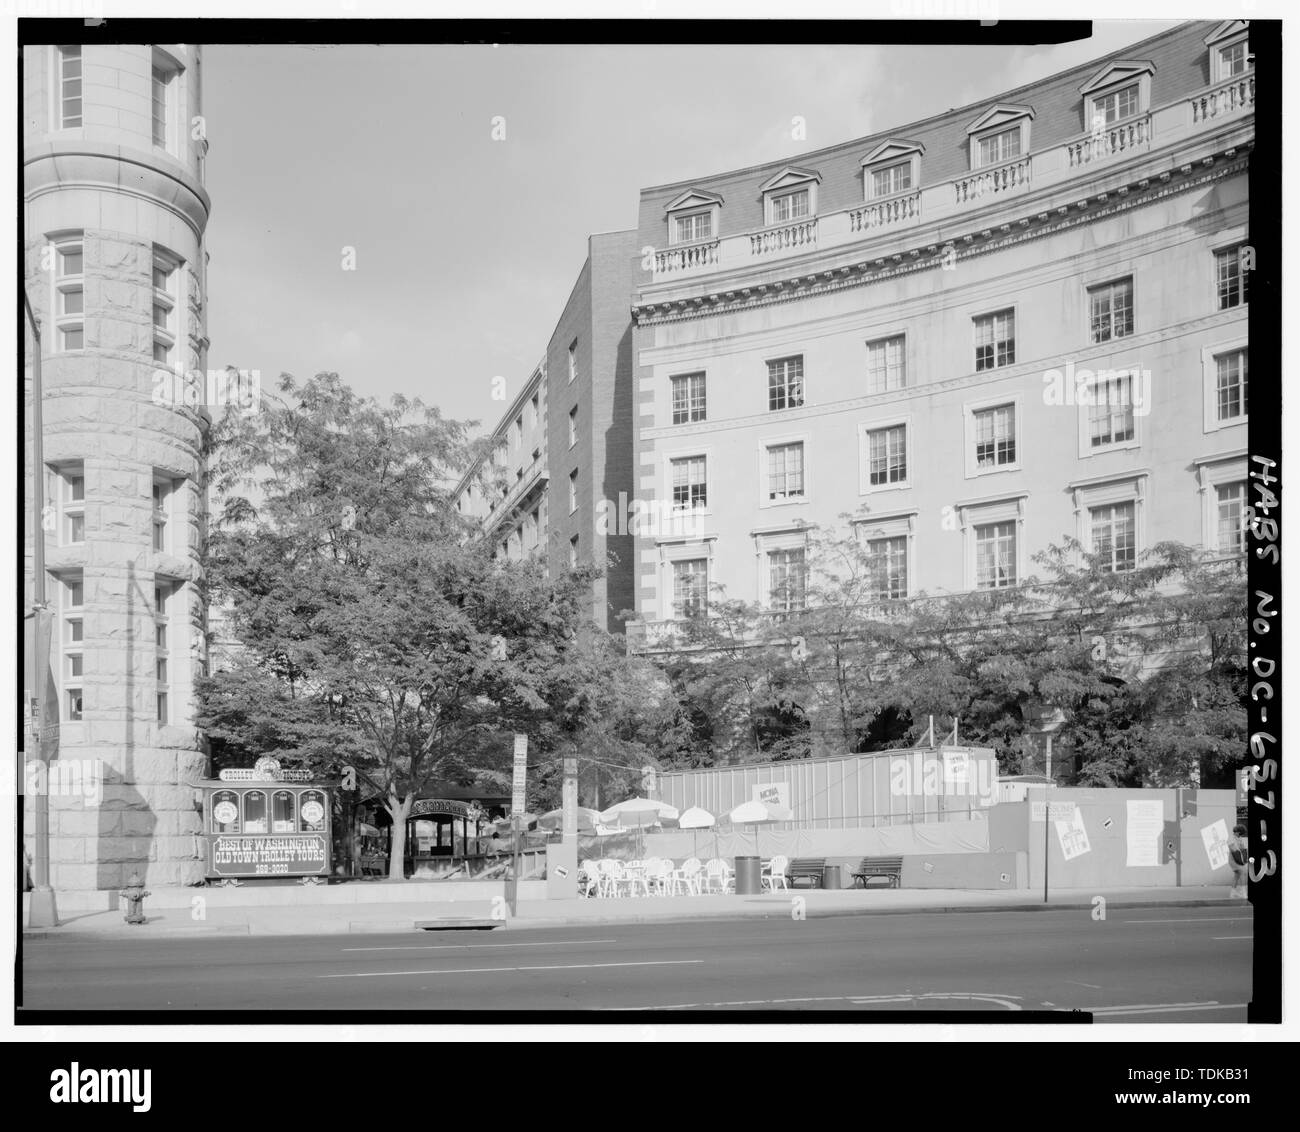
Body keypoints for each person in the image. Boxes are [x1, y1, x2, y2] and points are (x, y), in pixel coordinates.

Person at [1228, 824, 1249, 899]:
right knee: (1243, 873)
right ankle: (1243, 893)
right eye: (1240, 833)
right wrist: (1240, 849)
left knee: (1236, 876)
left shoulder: (1239, 838)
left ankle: (1233, 894)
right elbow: (1233, 849)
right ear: (1237, 832)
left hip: (1239, 860)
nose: (1241, 835)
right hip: (1234, 860)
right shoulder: (1231, 838)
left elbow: (1243, 849)